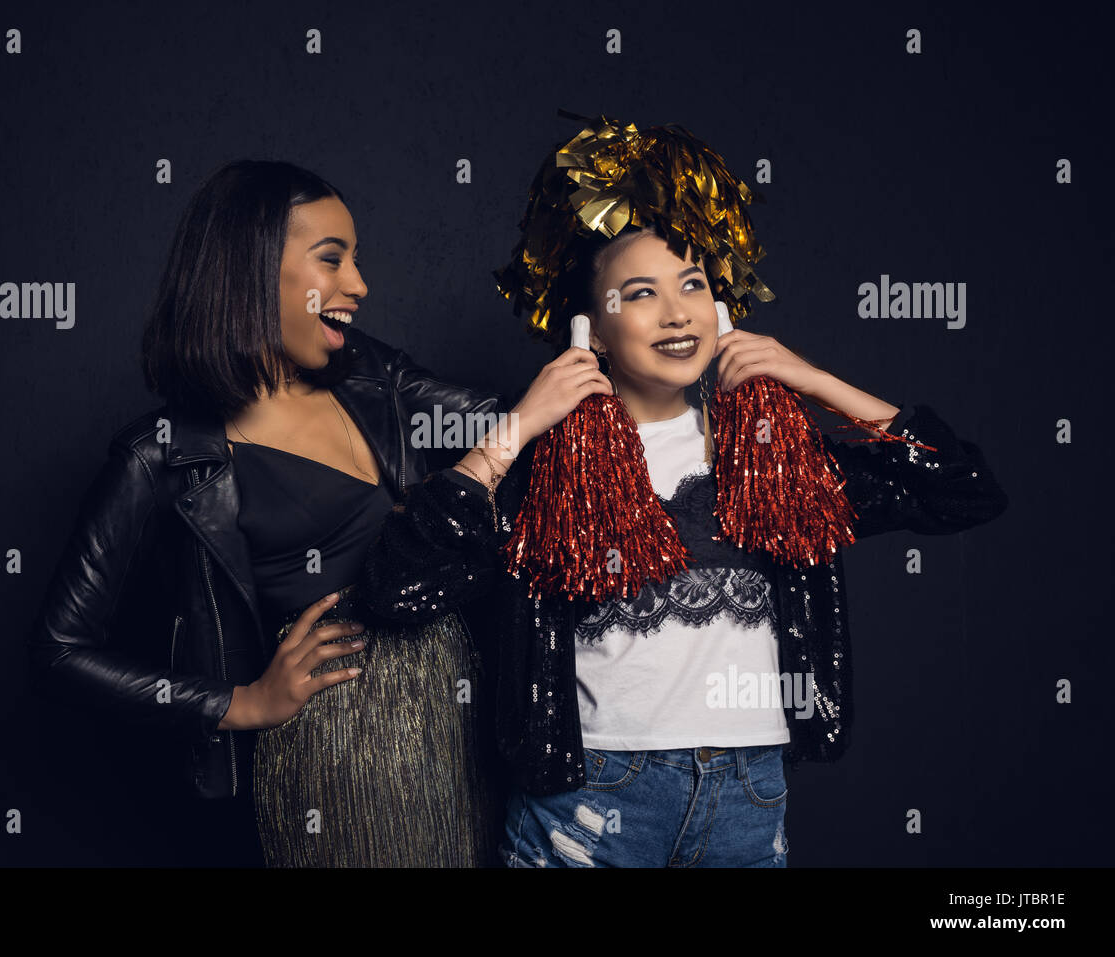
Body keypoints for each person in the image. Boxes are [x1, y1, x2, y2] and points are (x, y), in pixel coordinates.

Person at [361, 114, 1010, 867]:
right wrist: (518, 426)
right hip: (592, 798)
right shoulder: (546, 463)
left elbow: (967, 488)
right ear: (593, 329)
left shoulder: (777, 458)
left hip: (746, 795)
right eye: (640, 292)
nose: (676, 313)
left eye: (693, 283)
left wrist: (814, 380)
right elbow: (394, 585)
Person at [26, 159, 551, 866]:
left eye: (355, 260)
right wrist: (238, 701)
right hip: (337, 759)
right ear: (249, 272)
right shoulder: (161, 455)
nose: (359, 285)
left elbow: (513, 428)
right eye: (331, 259)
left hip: (459, 725)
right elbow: (61, 649)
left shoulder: (370, 374)